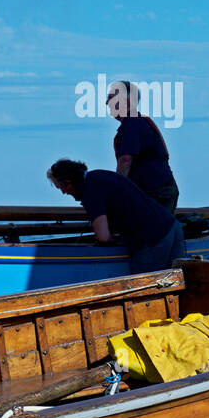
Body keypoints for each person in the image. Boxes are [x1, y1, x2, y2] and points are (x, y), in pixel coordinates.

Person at [47, 158, 187, 273]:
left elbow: (103, 237)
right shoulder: (100, 176)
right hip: (172, 226)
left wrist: (110, 241)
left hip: (153, 238)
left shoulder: (91, 191)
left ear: (69, 181)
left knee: (145, 291)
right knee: (177, 286)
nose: (64, 192)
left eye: (63, 187)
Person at [107, 80, 180, 214]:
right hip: (161, 187)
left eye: (111, 98)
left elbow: (125, 160)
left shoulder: (132, 123)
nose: (107, 103)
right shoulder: (137, 121)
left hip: (155, 190)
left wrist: (116, 191)